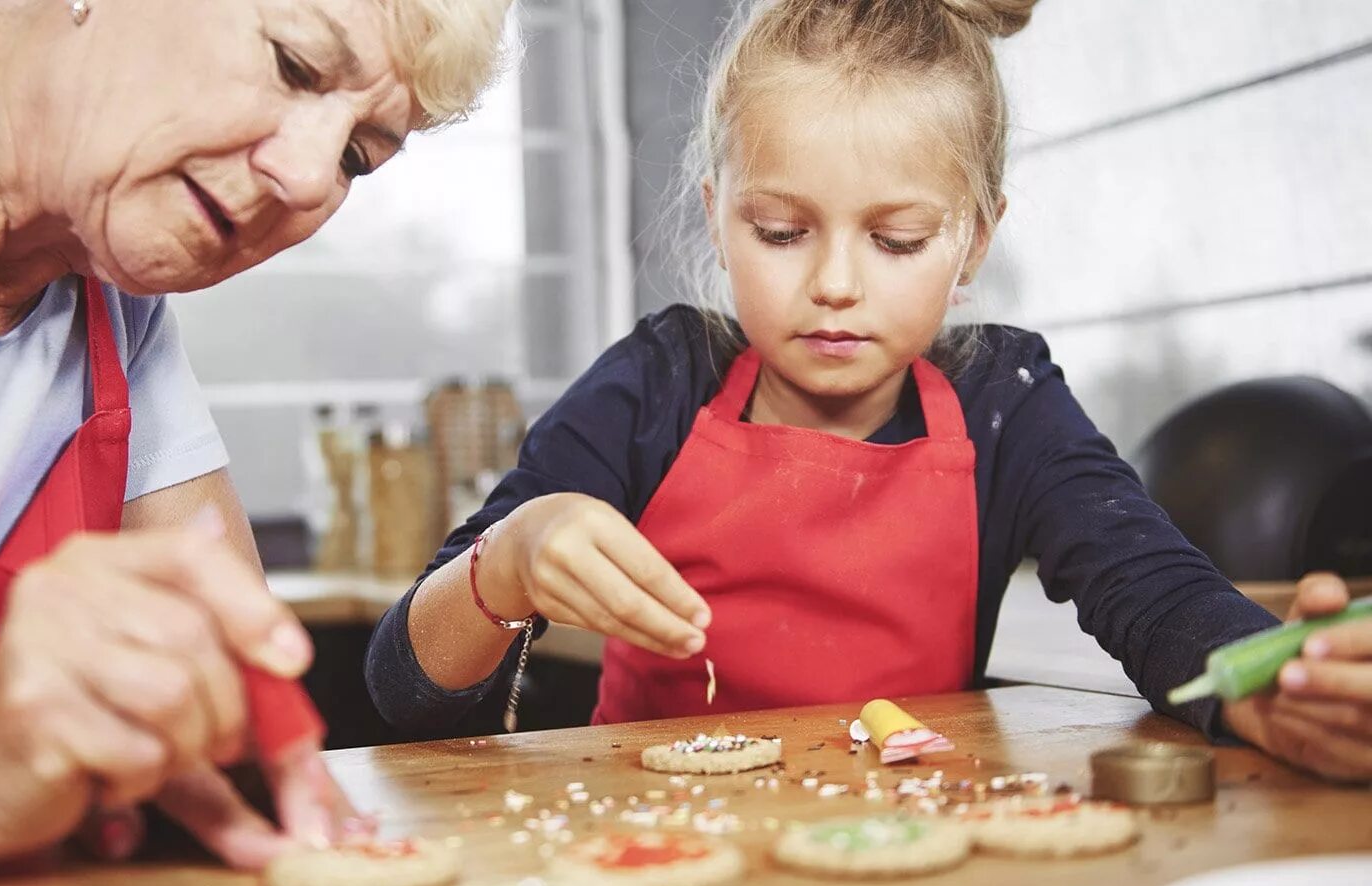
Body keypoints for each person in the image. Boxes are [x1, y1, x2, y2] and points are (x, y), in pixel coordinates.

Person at [365, 0, 1372, 782]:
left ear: (974, 237)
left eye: (895, 240)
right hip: (656, 848)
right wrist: (509, 563)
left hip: (909, 841)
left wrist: (1273, 683)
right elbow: (404, 692)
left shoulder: (1003, 400)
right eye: (780, 231)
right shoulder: (656, 386)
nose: (835, 284)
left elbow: (1157, 600)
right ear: (717, 219)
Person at [0, 0, 511, 874]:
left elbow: (242, 711)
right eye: (294, 63)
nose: (312, 181)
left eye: (357, 156)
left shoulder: (118, 316)